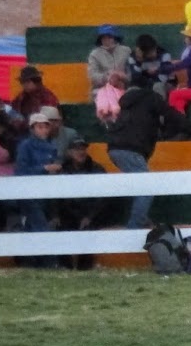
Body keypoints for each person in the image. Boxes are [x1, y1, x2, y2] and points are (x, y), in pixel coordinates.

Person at [56, 137, 114, 271]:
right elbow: (58, 199)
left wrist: (89, 216)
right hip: (69, 213)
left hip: (93, 214)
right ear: (69, 152)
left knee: (88, 229)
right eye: (77, 149)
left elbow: (103, 199)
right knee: (60, 228)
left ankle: (84, 268)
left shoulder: (97, 169)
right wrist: (57, 215)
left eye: (83, 149)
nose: (81, 152)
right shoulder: (63, 170)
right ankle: (65, 267)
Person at [15, 106, 62, 267]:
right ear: (32, 128)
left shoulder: (51, 147)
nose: (44, 130)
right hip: (29, 194)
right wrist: (44, 169)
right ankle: (49, 263)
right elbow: (21, 171)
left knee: (32, 227)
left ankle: (29, 263)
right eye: (40, 126)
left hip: (45, 194)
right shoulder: (25, 146)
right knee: (40, 226)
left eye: (46, 126)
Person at [12, 66, 60, 131]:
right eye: (22, 82)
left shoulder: (47, 96)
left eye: (27, 82)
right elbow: (14, 108)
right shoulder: (22, 95)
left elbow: (48, 119)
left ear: (36, 82)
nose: (24, 85)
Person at [87, 25, 131, 93]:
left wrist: (122, 76)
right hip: (102, 87)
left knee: (133, 91)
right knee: (97, 93)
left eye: (109, 37)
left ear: (115, 38)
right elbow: (93, 75)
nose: (106, 40)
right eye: (104, 38)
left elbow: (132, 71)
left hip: (124, 85)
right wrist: (107, 77)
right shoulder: (94, 54)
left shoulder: (126, 51)